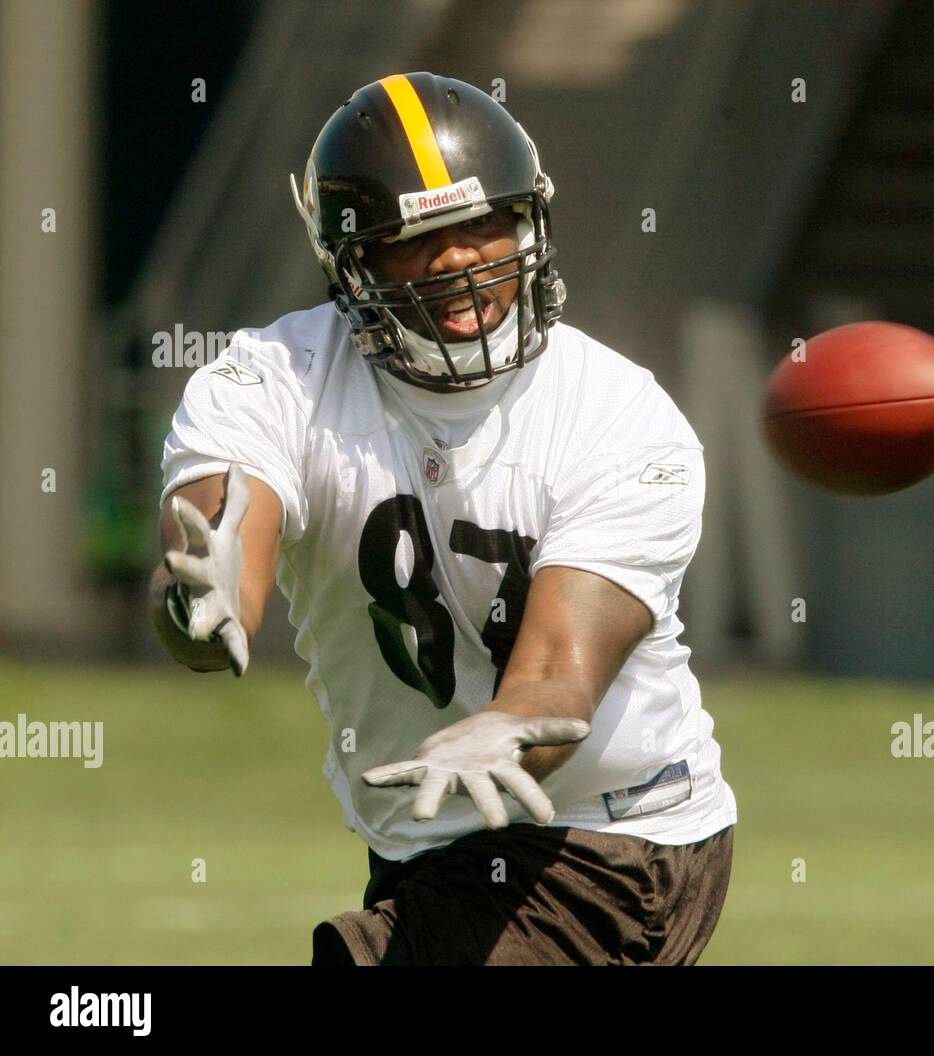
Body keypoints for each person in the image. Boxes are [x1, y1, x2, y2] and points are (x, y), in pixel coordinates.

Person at [147, 73, 736, 965]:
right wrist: (200, 600)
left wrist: (506, 727)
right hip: (421, 839)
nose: (459, 259)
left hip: (607, 840)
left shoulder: (621, 415)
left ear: (532, 223)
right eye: (414, 240)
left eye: (482, 225)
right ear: (352, 265)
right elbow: (222, 530)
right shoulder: (273, 378)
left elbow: (556, 679)